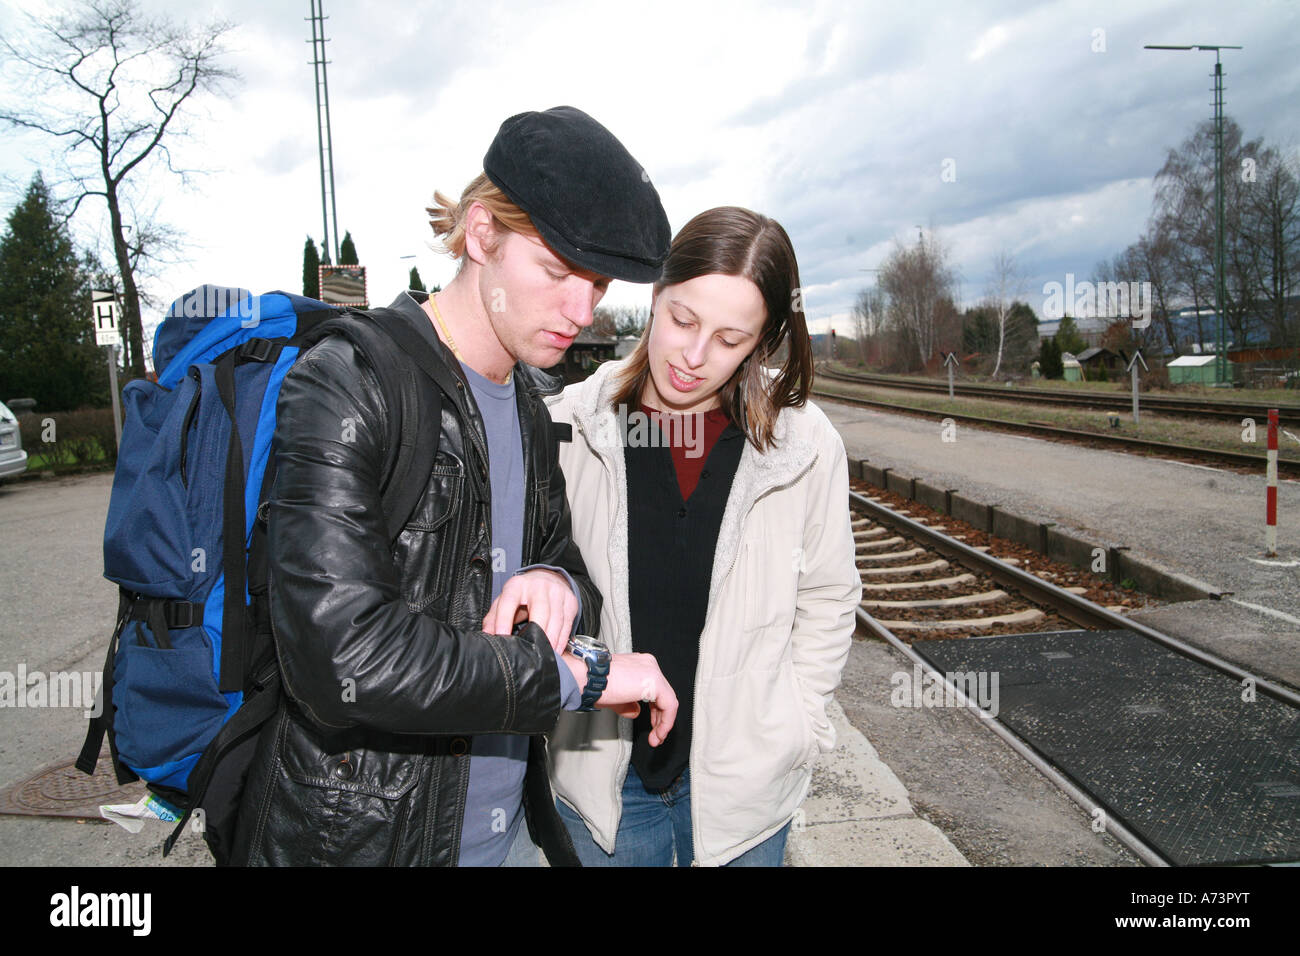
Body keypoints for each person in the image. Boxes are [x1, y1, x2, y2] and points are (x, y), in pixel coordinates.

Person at [230, 106, 679, 867]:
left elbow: (564, 570)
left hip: (508, 835)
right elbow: (343, 659)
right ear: (480, 233)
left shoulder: (532, 410)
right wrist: (578, 679)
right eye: (557, 270)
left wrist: (557, 581)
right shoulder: (348, 383)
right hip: (364, 843)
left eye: (597, 282)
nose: (583, 309)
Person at [545, 206, 862, 867]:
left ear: (763, 340)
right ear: (655, 297)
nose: (693, 357)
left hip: (748, 793)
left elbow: (829, 593)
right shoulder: (569, 429)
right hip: (606, 786)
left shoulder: (805, 445)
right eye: (683, 319)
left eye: (728, 339)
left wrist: (798, 728)